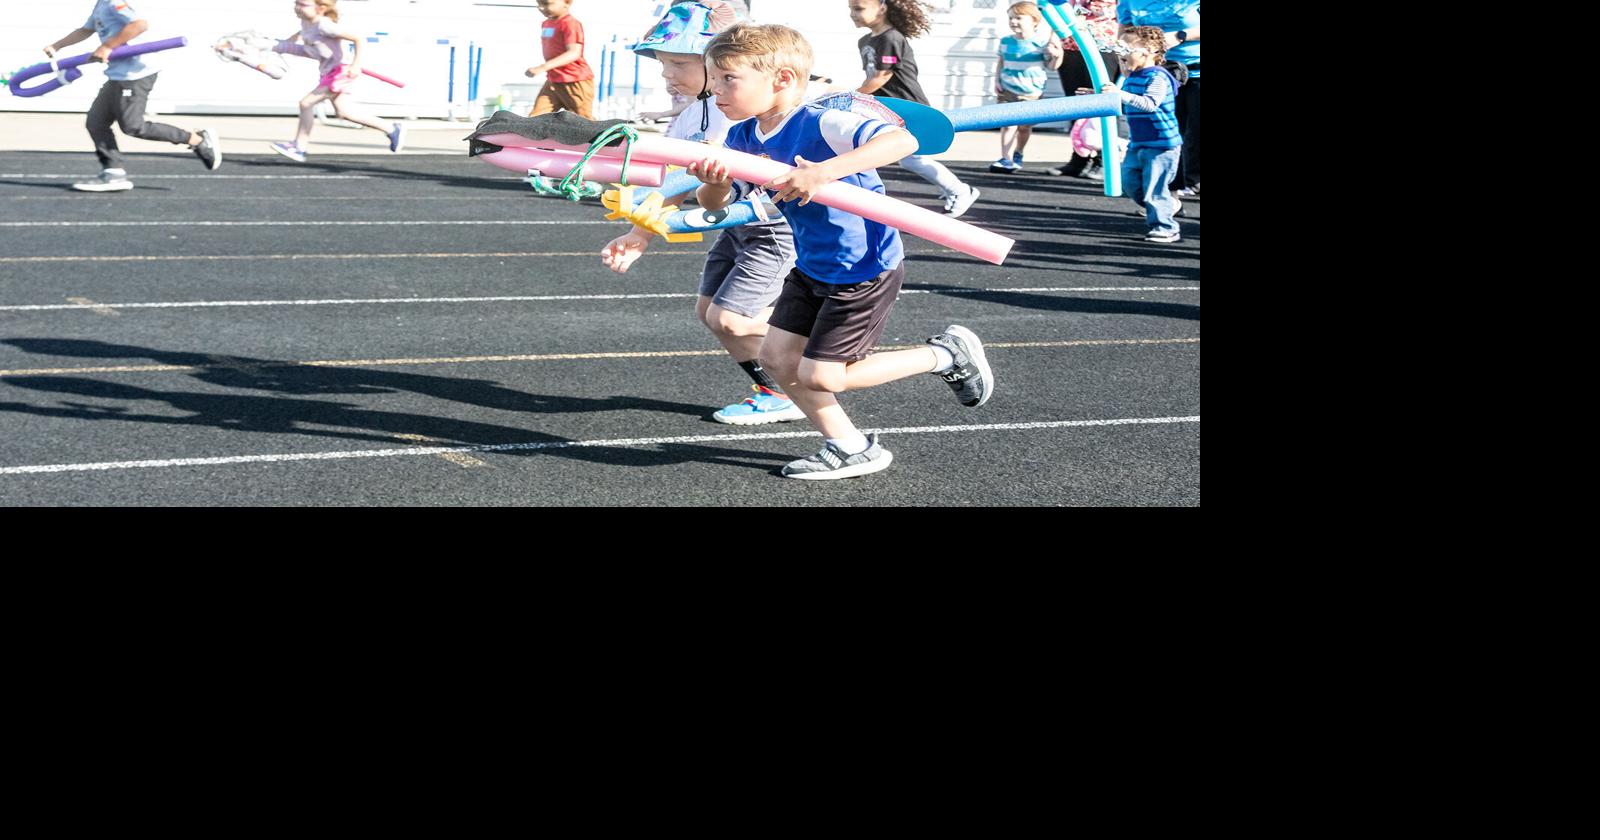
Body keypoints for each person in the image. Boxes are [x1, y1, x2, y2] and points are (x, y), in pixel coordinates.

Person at [690, 23, 995, 479]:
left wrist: (823, 172)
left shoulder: (821, 122)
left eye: (728, 79)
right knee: (777, 359)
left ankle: (945, 354)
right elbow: (717, 204)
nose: (715, 91)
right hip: (811, 263)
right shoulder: (743, 137)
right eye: (713, 80)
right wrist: (713, 183)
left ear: (783, 79)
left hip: (863, 267)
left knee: (824, 375)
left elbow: (902, 140)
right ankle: (850, 447)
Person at [601, 2, 806, 426]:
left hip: (773, 226)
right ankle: (775, 391)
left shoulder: (746, 112)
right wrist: (639, 236)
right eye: (662, 64)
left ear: (718, 66)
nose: (667, 74)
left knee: (731, 318)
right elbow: (672, 184)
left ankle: (818, 344)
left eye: (679, 63)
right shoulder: (694, 116)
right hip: (736, 227)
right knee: (709, 311)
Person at [43, 0, 221, 192]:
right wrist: (57, 45)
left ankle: (197, 140)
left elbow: (139, 25)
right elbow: (86, 30)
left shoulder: (115, 2)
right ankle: (113, 173)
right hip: (116, 75)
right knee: (96, 122)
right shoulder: (101, 3)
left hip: (135, 75)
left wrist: (107, 46)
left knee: (133, 126)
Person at [849, 0, 981, 218]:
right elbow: (871, 78)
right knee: (864, 147)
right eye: (851, 9)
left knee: (912, 159)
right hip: (886, 108)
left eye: (859, 9)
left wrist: (852, 97)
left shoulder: (891, 38)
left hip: (909, 106)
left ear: (882, 8)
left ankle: (961, 191)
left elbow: (881, 77)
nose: (852, 14)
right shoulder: (865, 41)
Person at [268, 0, 405, 163]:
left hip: (340, 72)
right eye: (296, 3)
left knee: (306, 103)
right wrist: (280, 45)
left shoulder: (325, 26)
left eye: (303, 4)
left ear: (321, 8)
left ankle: (299, 147)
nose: (297, 7)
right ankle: (391, 129)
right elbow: (300, 40)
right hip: (328, 72)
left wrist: (356, 65)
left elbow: (358, 39)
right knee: (343, 113)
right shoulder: (306, 24)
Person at [1086, 26, 1180, 242]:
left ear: (1148, 51)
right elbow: (1124, 103)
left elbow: (1149, 104)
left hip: (1162, 144)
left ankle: (1166, 228)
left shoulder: (1158, 77)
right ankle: (1167, 205)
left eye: (1126, 49)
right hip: (1138, 142)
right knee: (1129, 182)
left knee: (1154, 189)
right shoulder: (1131, 77)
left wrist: (1119, 93)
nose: (1120, 53)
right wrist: (1096, 96)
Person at [1118, 0, 1198, 195]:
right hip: (1159, 72)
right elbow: (1124, 32)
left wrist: (1180, 36)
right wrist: (1123, 60)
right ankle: (1169, 195)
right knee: (1168, 131)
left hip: (1197, 68)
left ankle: (1193, 180)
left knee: (1197, 131)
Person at [1048, 0, 1121, 178]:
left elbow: (1126, 16)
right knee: (1075, 104)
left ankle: (1105, 160)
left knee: (1103, 104)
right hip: (1072, 46)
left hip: (1105, 46)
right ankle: (1079, 158)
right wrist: (1053, 38)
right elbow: (1057, 11)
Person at [991, 2, 1064, 174]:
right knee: (1008, 124)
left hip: (1032, 93)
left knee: (1024, 127)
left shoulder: (1042, 43)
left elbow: (1052, 66)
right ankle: (1006, 158)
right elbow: (1001, 61)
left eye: (1018, 18)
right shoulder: (1006, 41)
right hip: (1008, 89)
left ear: (1034, 21)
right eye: (1011, 18)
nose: (1013, 22)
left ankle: (1018, 152)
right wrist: (996, 80)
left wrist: (1057, 55)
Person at [525, 0, 596, 119]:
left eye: (547, 3)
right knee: (536, 118)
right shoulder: (547, 23)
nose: (541, 8)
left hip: (574, 80)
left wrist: (542, 67)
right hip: (553, 80)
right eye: (539, 4)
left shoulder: (570, 23)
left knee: (583, 121)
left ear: (567, 3)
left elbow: (574, 52)